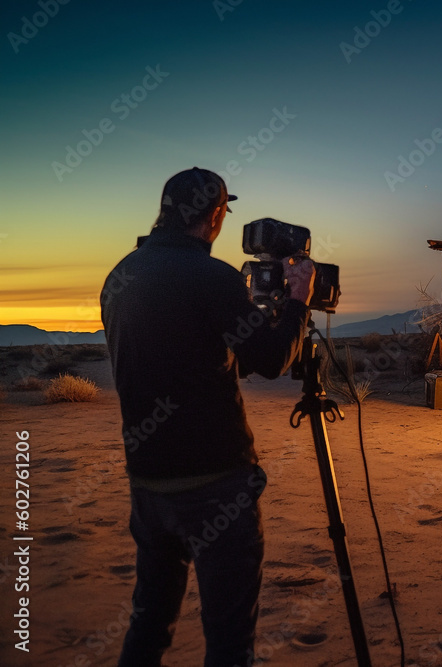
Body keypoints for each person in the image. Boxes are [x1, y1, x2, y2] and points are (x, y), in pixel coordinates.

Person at [101, 167, 315, 666]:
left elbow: (184, 359)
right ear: (216, 215)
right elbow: (272, 359)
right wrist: (299, 301)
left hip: (148, 486)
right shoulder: (213, 277)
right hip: (216, 488)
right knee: (229, 643)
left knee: (149, 623)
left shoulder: (120, 276)